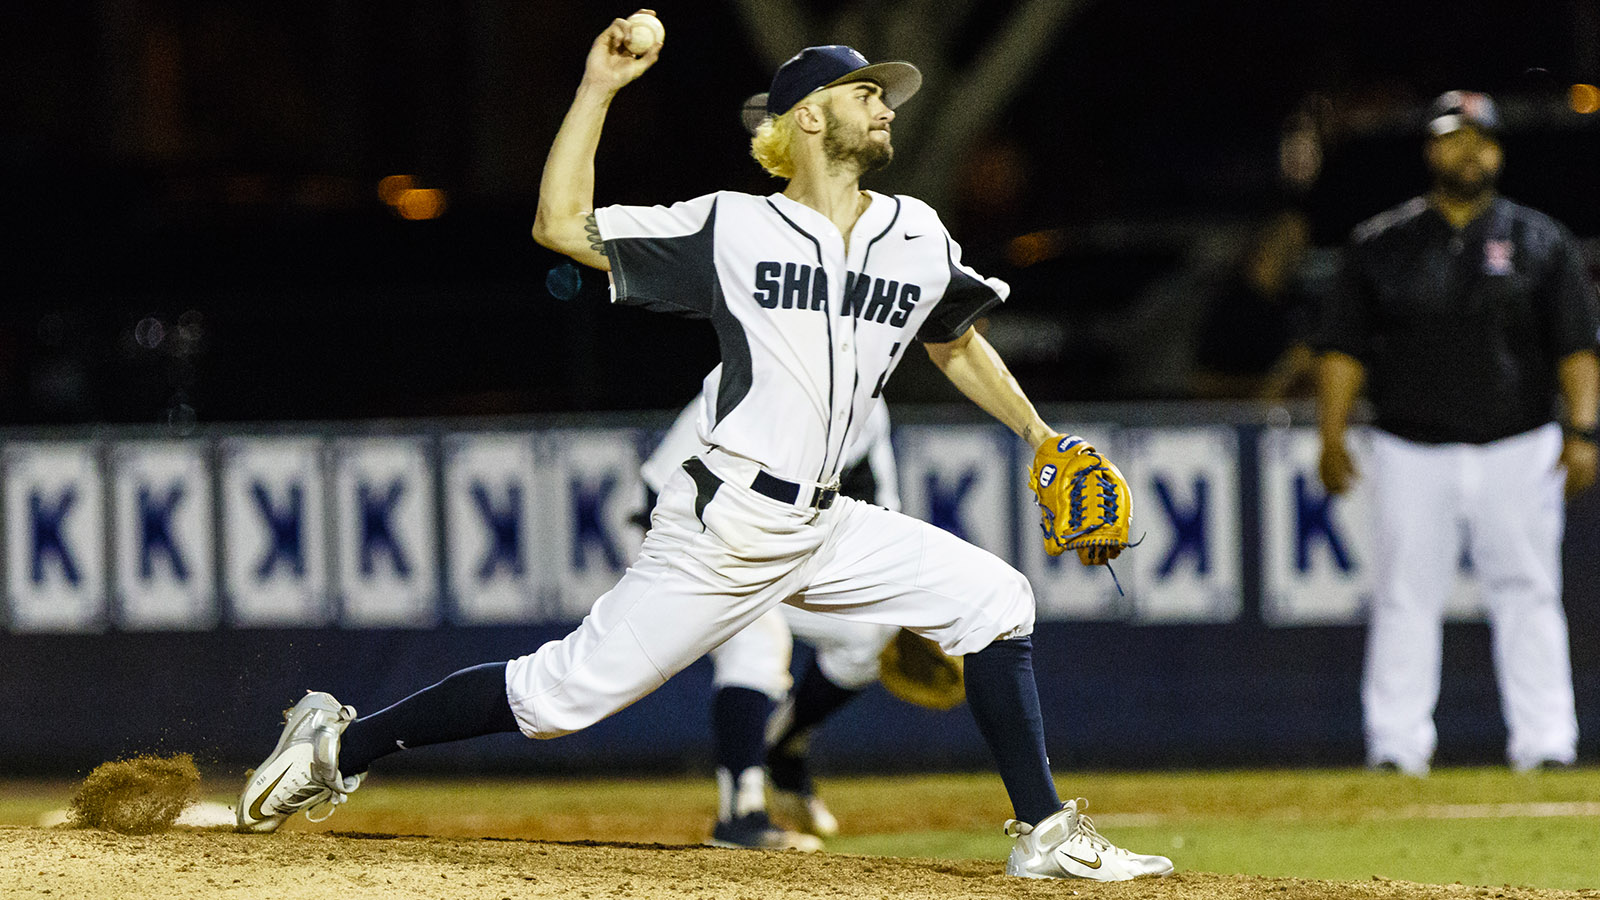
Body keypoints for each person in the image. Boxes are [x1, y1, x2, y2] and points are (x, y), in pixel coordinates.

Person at [237, 14, 1173, 881]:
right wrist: (599, 87)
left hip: (826, 521)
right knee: (557, 700)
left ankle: (1044, 833)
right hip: (727, 522)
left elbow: (954, 337)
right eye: (865, 92)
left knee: (996, 599)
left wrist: (1041, 435)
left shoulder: (916, 234)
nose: (886, 104)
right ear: (808, 119)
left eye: (885, 92)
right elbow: (560, 228)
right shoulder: (732, 226)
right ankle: (336, 745)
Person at [1315, 90, 1599, 776]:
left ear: (1499, 151)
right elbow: (1342, 347)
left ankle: (1546, 742)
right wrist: (1331, 434)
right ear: (1431, 149)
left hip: (1519, 443)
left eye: (1482, 138)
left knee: (1528, 590)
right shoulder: (1382, 243)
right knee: (1405, 596)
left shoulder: (1540, 239)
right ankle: (1395, 745)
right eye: (1455, 137)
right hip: (1411, 447)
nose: (1469, 150)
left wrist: (1583, 429)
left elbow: (1576, 345)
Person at [640, 377, 905, 849]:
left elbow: (880, 515)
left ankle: (783, 747)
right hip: (687, 544)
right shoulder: (746, 378)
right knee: (758, 640)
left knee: (870, 629)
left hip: (781, 558)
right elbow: (656, 491)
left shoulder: (865, 400)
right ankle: (739, 814)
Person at [1190, 209, 1318, 400]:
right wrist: (1277, 379)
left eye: (1301, 247)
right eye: (1285, 245)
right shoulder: (1230, 305)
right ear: (1263, 246)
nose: (1295, 255)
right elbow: (1201, 383)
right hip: (1238, 421)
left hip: (1296, 422)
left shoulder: (1300, 303)